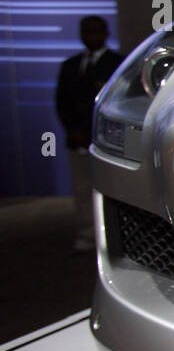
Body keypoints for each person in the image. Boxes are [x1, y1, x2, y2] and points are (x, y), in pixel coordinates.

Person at [55, 16, 123, 251]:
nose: (90, 36)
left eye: (95, 31)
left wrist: (94, 133)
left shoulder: (118, 64)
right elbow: (61, 102)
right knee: (82, 189)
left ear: (105, 33)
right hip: (77, 141)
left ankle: (112, 238)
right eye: (86, 31)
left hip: (105, 141)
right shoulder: (70, 65)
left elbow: (119, 103)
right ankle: (86, 235)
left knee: (110, 190)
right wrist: (73, 131)